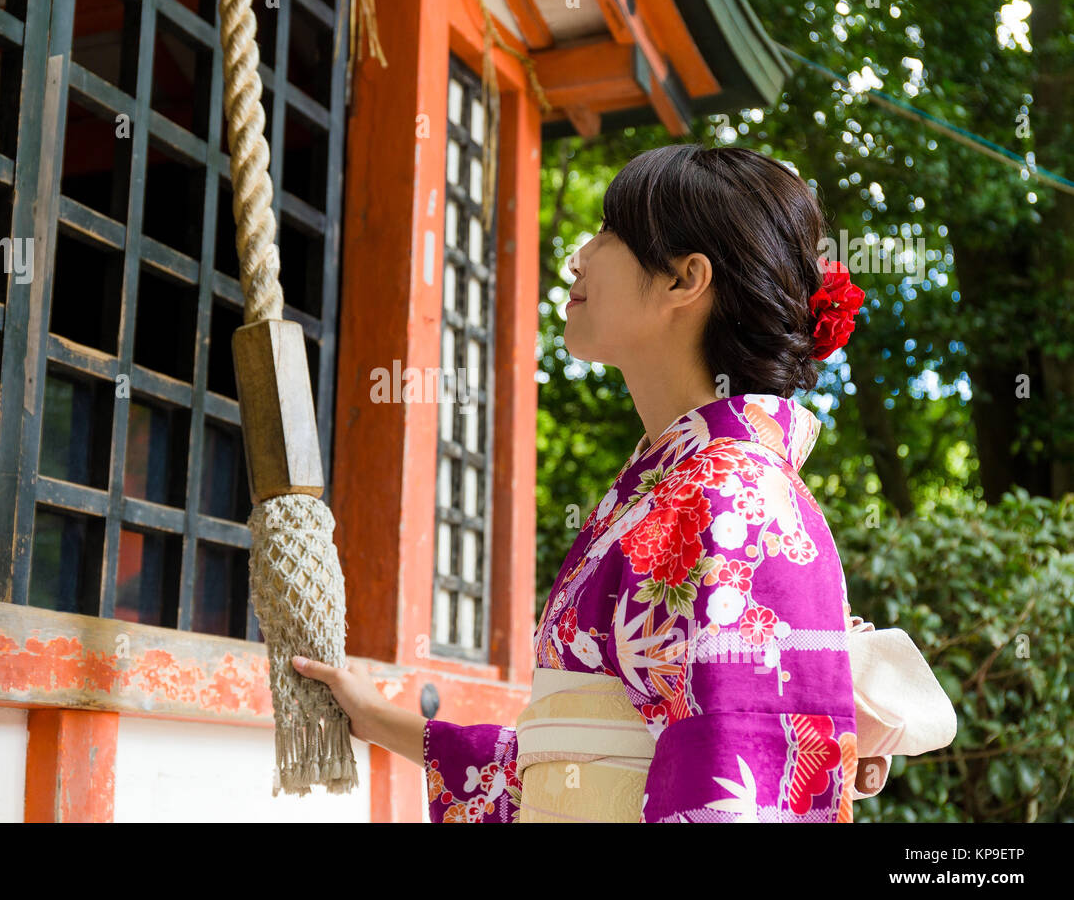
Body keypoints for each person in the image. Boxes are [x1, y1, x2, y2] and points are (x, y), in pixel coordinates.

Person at [294, 143, 872, 822]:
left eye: (609, 231)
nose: (579, 256)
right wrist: (378, 719)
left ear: (685, 281)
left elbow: (738, 796)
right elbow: (560, 765)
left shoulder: (737, 499)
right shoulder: (681, 488)